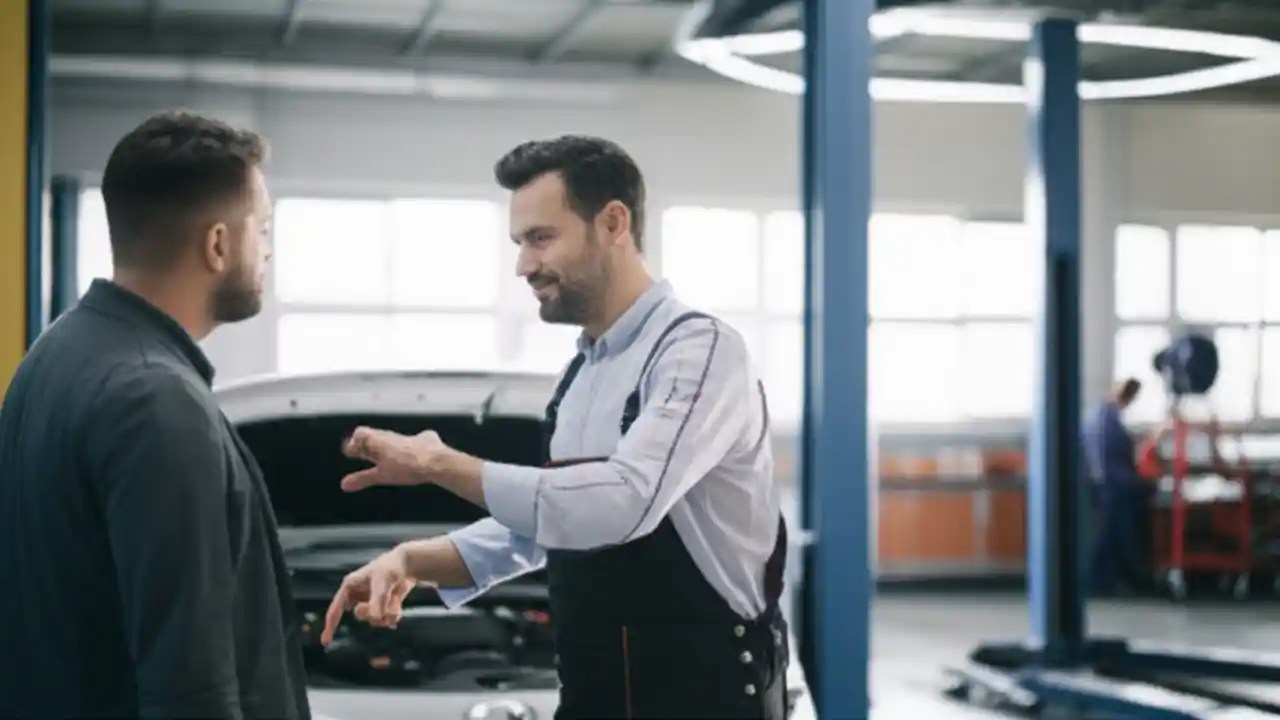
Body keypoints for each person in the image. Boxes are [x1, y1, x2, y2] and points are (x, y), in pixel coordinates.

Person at [320, 135, 790, 719]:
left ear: (613, 223)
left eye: (541, 238)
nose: (524, 265)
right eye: (520, 244)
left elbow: (623, 502)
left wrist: (437, 464)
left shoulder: (700, 351)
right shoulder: (581, 376)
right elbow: (548, 524)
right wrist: (415, 560)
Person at [0, 111, 310, 719]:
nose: (268, 251)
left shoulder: (54, 357)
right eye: (263, 229)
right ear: (218, 244)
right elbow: (189, 683)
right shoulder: (156, 402)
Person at [1082, 377, 1159, 596]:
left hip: (1107, 485)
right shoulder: (1108, 420)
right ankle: (1123, 581)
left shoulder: (1099, 416)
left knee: (1110, 535)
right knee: (1120, 535)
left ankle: (1104, 582)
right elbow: (1115, 457)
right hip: (1116, 486)